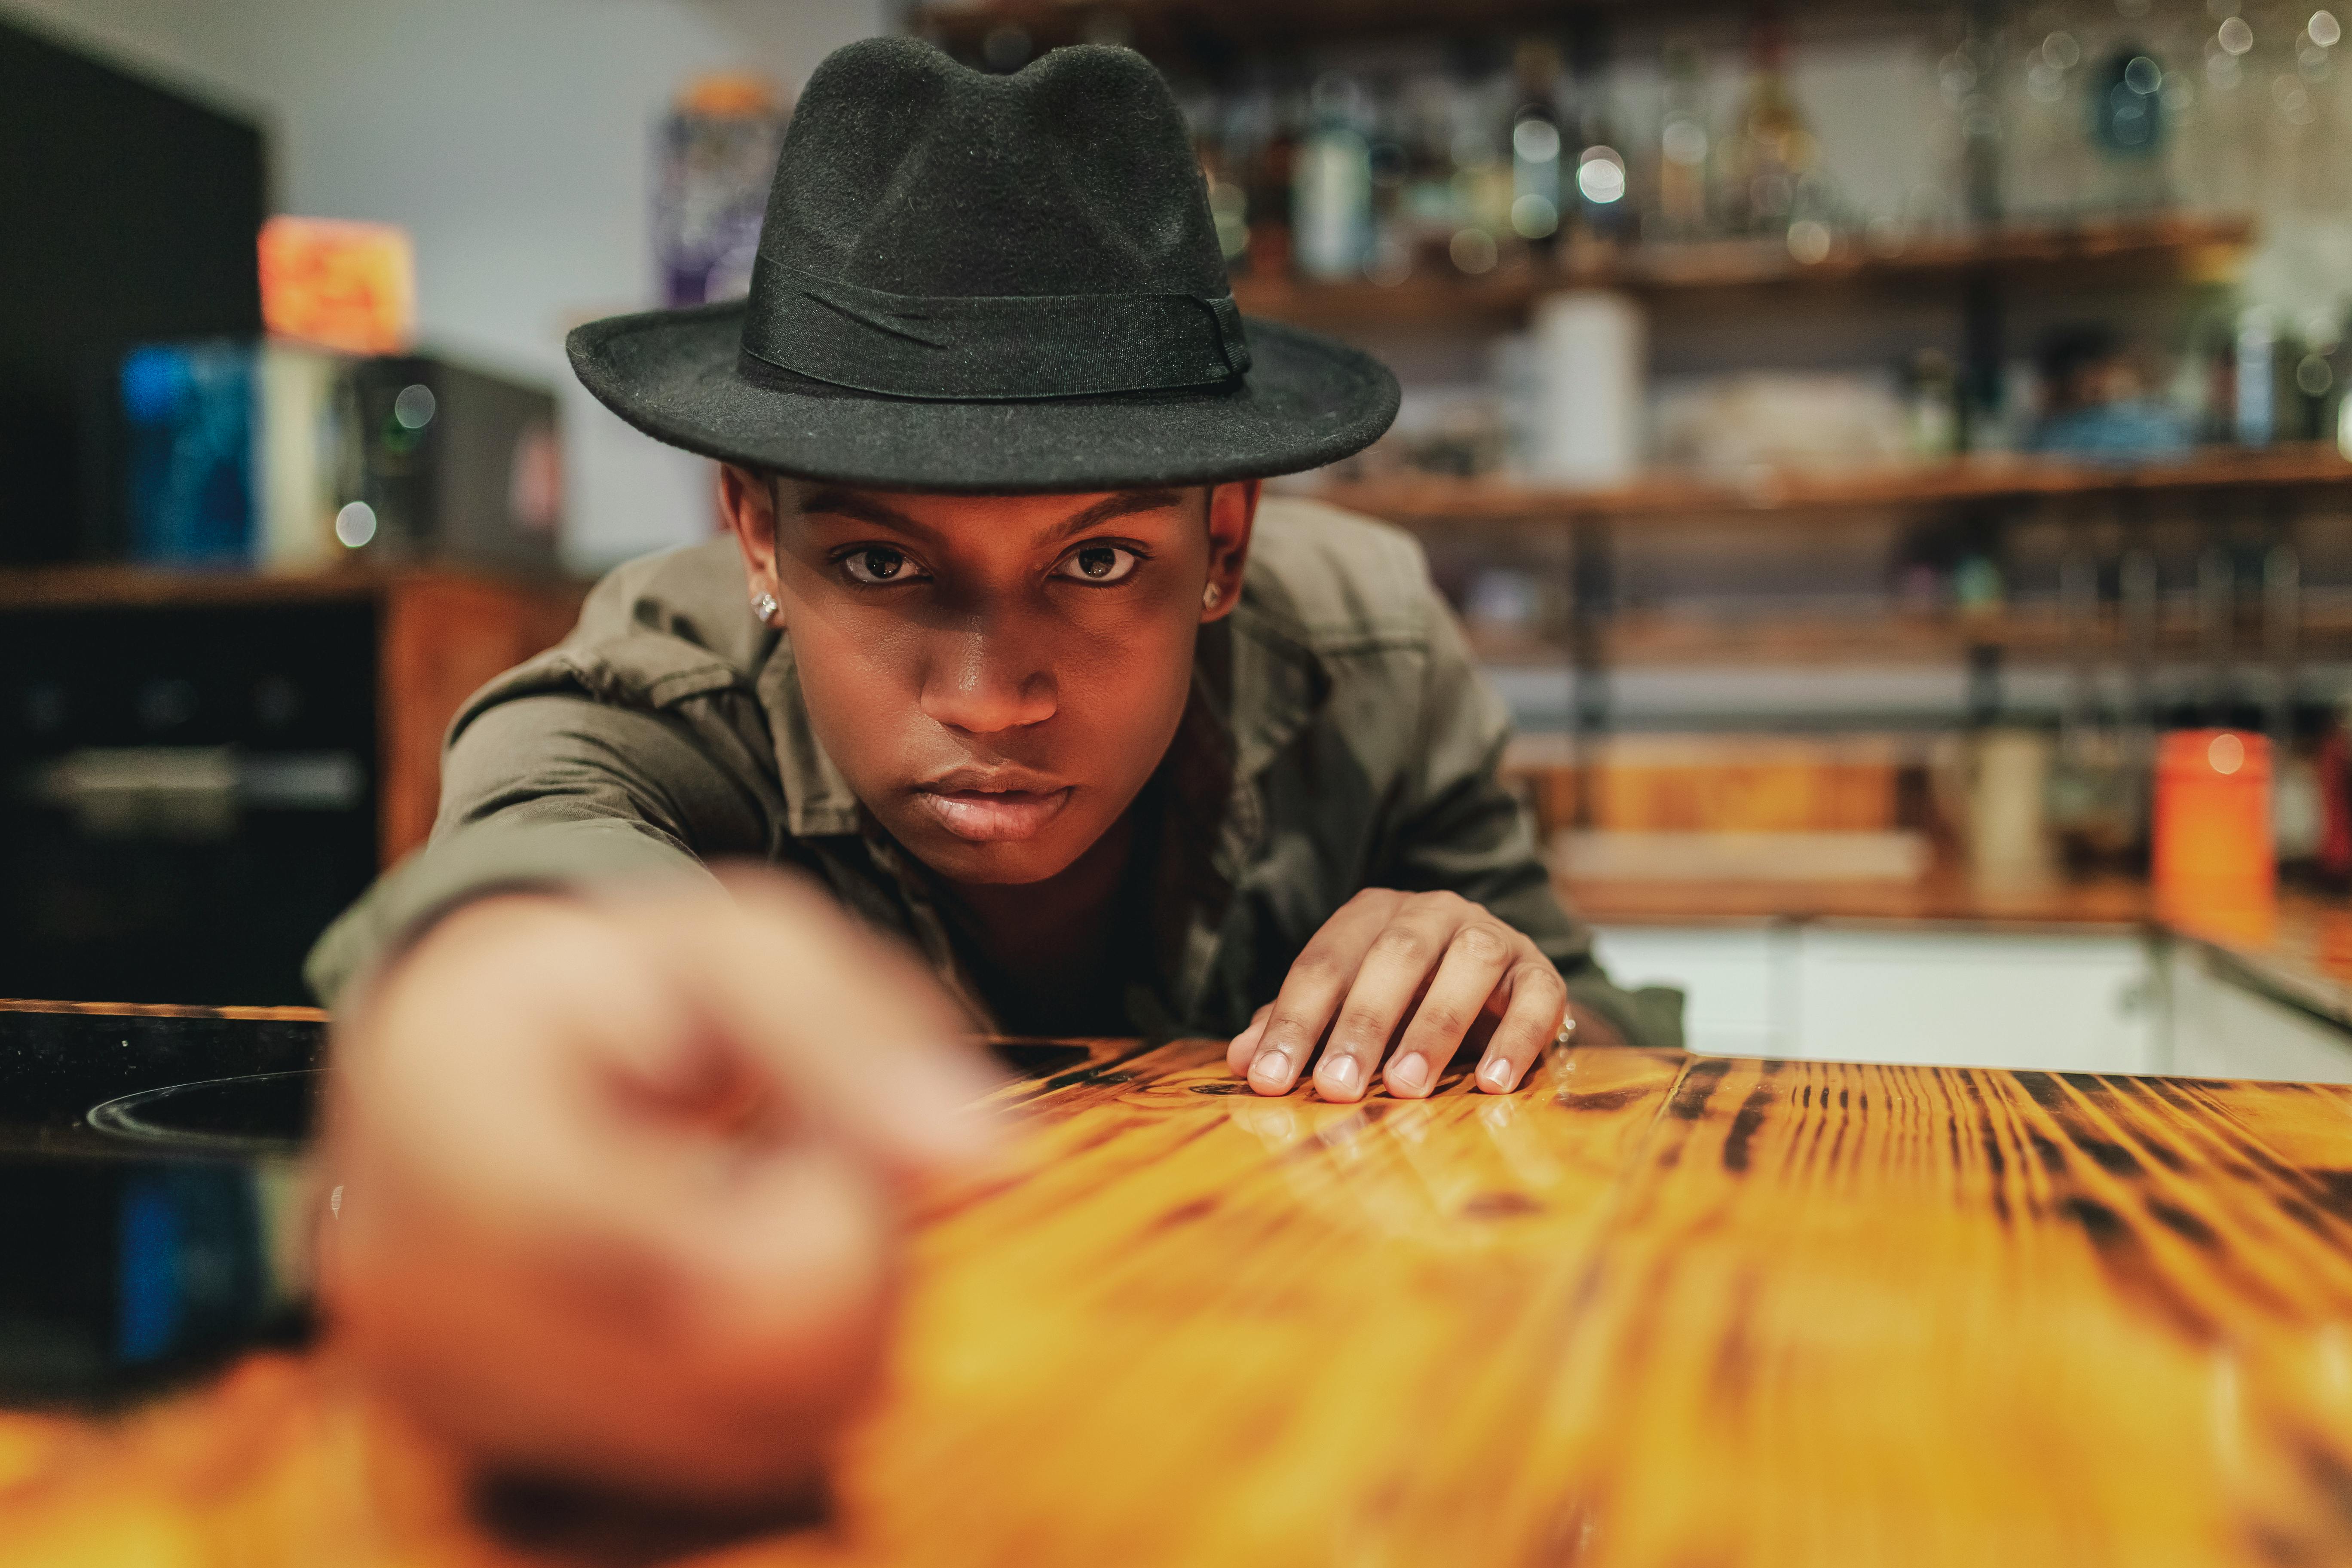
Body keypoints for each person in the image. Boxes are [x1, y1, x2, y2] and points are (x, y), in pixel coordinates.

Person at [310, 37, 1680, 1508]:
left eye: (1097, 561)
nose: (990, 696)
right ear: (757, 534)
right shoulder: (667, 671)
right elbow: (531, 843)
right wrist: (514, 986)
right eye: (880, 561)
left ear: (1225, 540)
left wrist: (1511, 992)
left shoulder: (1375, 653)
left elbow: (1606, 1035)